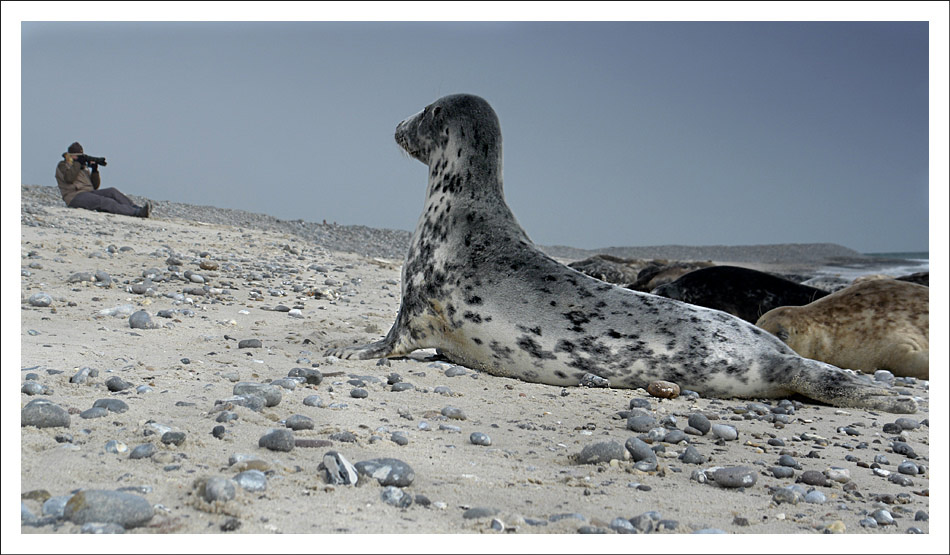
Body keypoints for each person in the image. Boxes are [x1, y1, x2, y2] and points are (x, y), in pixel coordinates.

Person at [55, 142, 152, 218]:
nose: (78, 158)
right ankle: (135, 213)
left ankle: (136, 208)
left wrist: (94, 171)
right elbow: (69, 178)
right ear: (70, 156)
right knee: (105, 202)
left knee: (112, 191)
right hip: (74, 197)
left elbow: (95, 186)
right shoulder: (63, 165)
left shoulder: (82, 168)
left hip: (88, 193)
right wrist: (77, 164)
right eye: (76, 156)